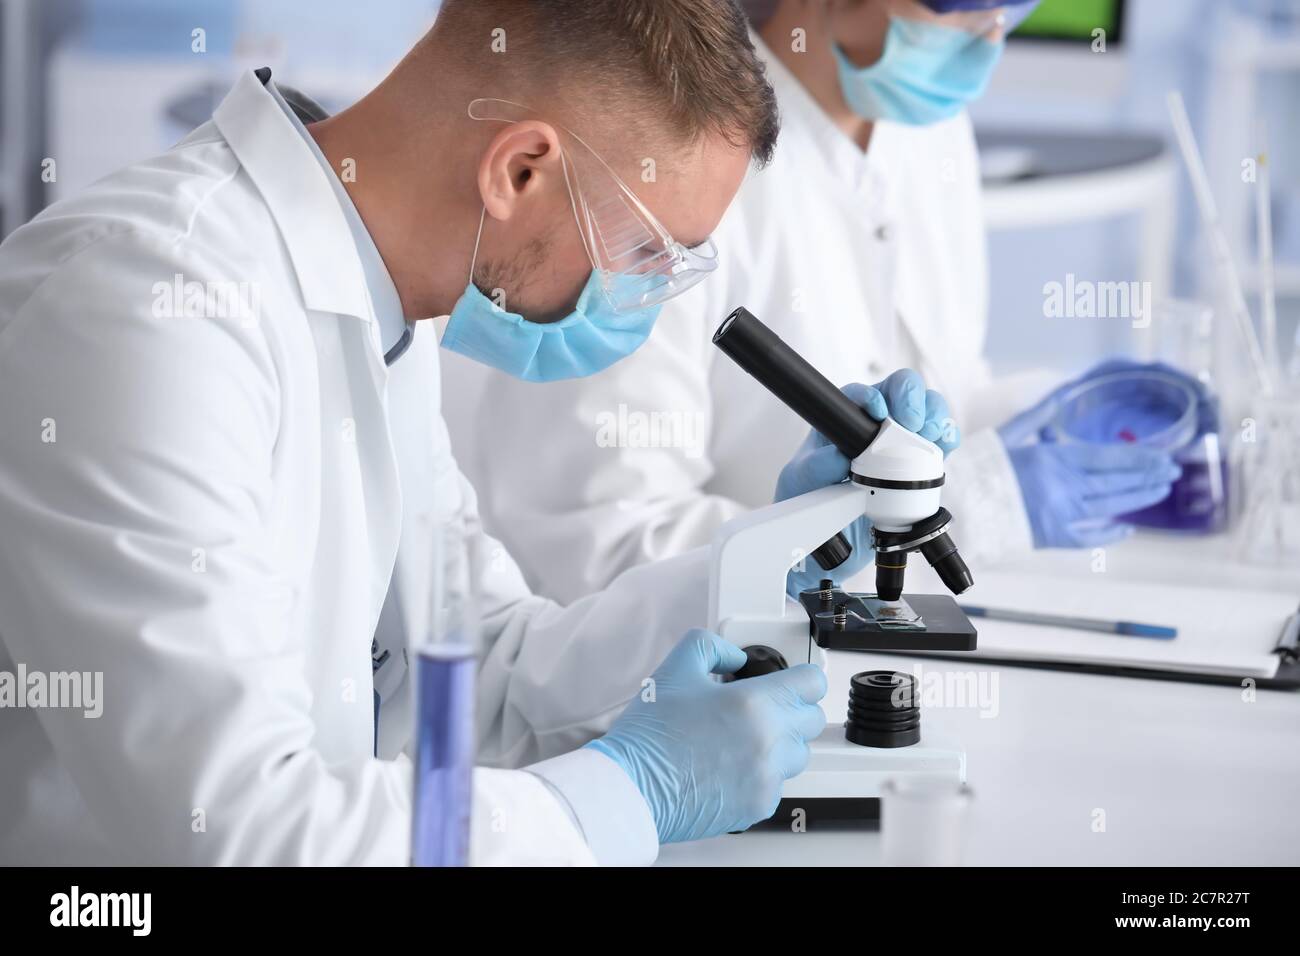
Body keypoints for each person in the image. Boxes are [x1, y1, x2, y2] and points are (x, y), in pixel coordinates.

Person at [0, 0, 953, 866]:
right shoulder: (147, 310)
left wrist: (776, 556)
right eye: (645, 255)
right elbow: (244, 829)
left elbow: (485, 674)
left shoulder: (385, 312)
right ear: (520, 170)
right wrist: (631, 794)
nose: (647, 302)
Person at [440, 0, 1199, 605]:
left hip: (845, 650)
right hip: (678, 692)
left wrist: (1058, 418)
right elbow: (598, 548)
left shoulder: (929, 136)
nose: (990, 36)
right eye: (960, 9)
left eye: (1013, 9)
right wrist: (979, 506)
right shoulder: (673, 158)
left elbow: (944, 392)